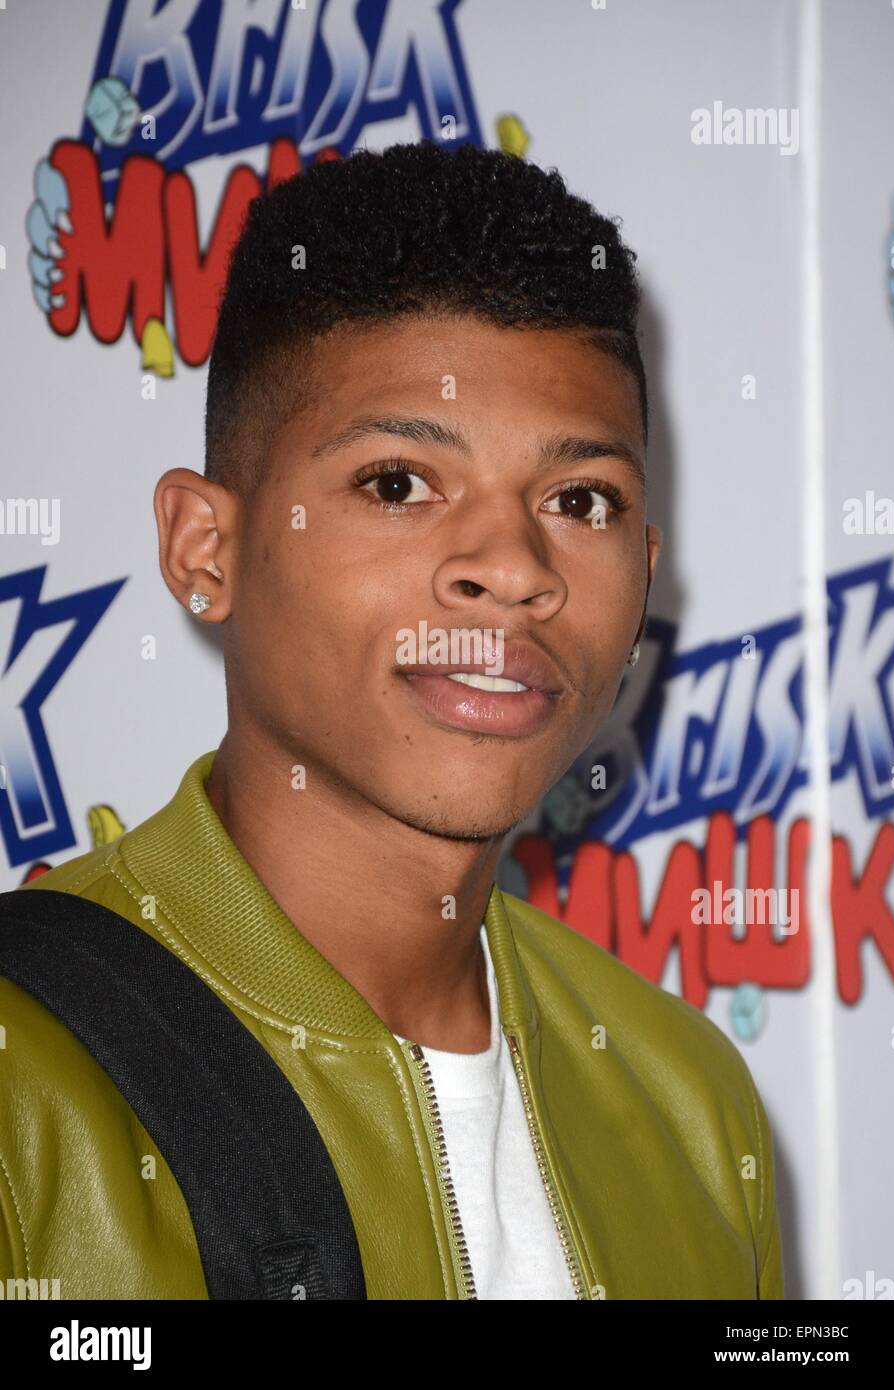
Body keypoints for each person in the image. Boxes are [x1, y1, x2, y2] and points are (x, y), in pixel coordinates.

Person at [0, 140, 783, 1300]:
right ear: (204, 548)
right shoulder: (28, 1085)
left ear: (644, 570)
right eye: (397, 483)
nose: (512, 569)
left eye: (579, 501)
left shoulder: (688, 1097)